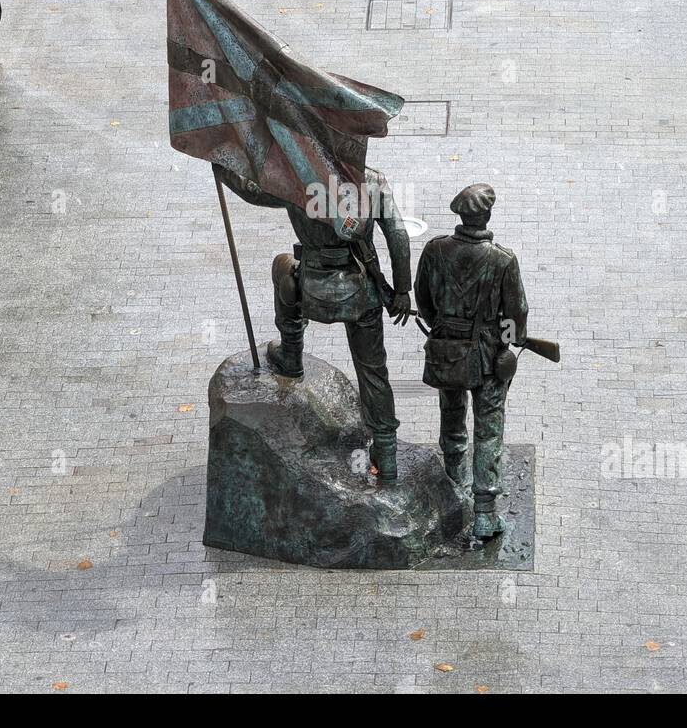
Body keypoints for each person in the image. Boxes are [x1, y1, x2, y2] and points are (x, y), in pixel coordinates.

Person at [214, 165, 412, 483]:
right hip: (362, 293)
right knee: (373, 371)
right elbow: (398, 235)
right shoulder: (371, 181)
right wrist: (402, 289)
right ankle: (386, 454)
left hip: (312, 291)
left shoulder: (296, 177)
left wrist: (223, 165)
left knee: (282, 266)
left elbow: (251, 190)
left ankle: (291, 355)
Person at [414, 184, 527, 539]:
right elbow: (515, 312)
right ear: (487, 216)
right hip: (487, 356)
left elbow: (423, 297)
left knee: (451, 414)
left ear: (461, 216)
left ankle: (452, 479)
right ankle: (484, 512)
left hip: (446, 349)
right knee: (489, 428)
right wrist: (509, 343)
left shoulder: (434, 250)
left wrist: (442, 329)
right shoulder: (502, 259)